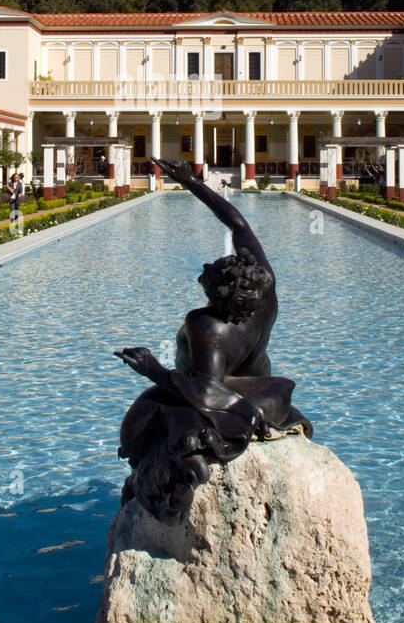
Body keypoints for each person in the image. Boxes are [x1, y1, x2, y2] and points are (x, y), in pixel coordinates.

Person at [115, 157, 312, 521]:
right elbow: (238, 223)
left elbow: (207, 390)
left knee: (148, 409)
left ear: (217, 300)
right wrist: (192, 182)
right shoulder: (265, 287)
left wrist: (152, 369)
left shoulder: (208, 325)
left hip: (231, 400)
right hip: (264, 387)